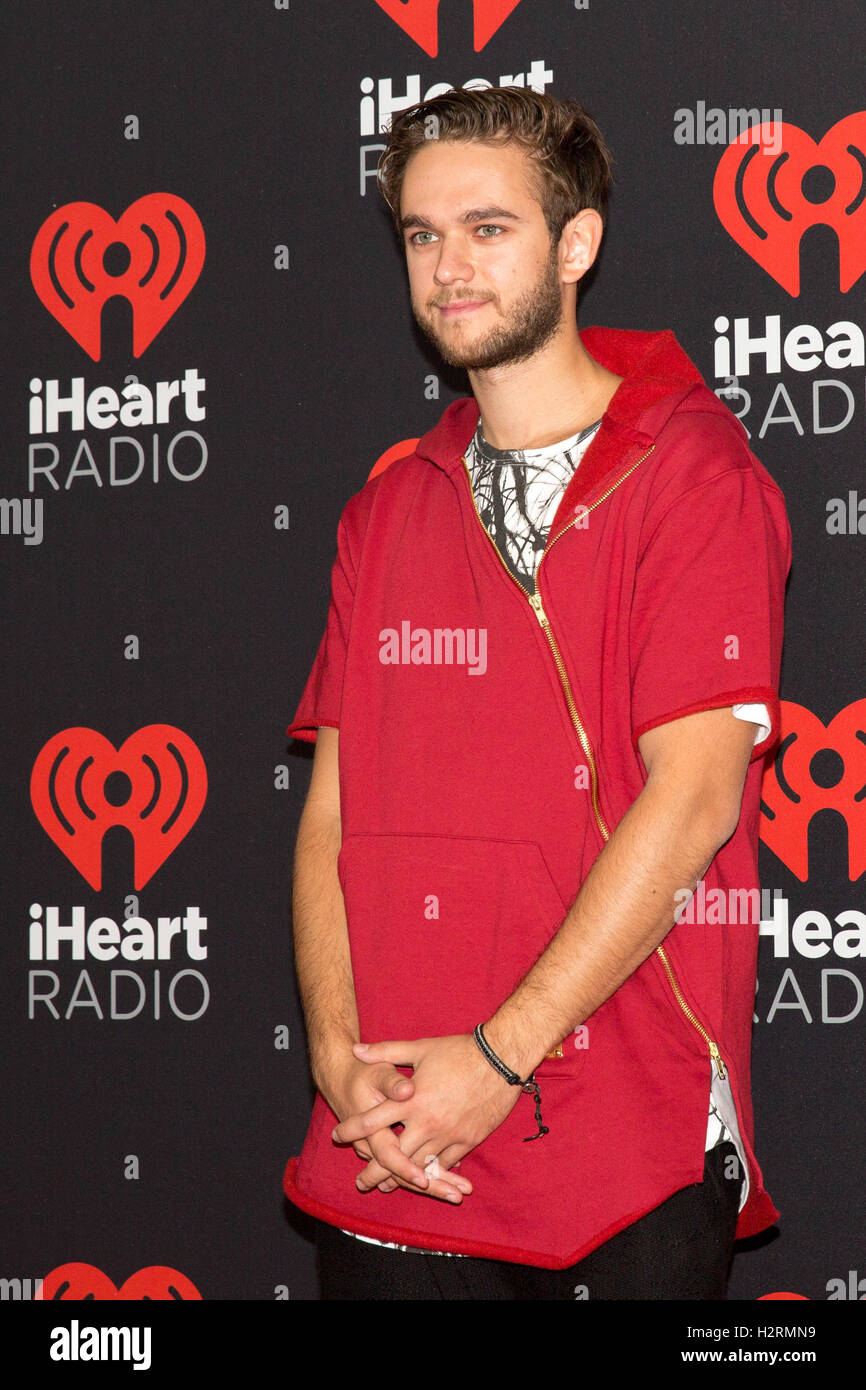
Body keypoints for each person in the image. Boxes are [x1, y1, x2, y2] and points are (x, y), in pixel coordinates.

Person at [285, 87, 791, 1299]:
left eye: (486, 228)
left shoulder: (692, 474)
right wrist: (336, 1050)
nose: (448, 267)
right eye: (420, 234)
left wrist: (496, 1063)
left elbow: (694, 804)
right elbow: (329, 817)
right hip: (396, 1136)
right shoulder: (389, 503)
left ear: (575, 245)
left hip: (623, 1131)